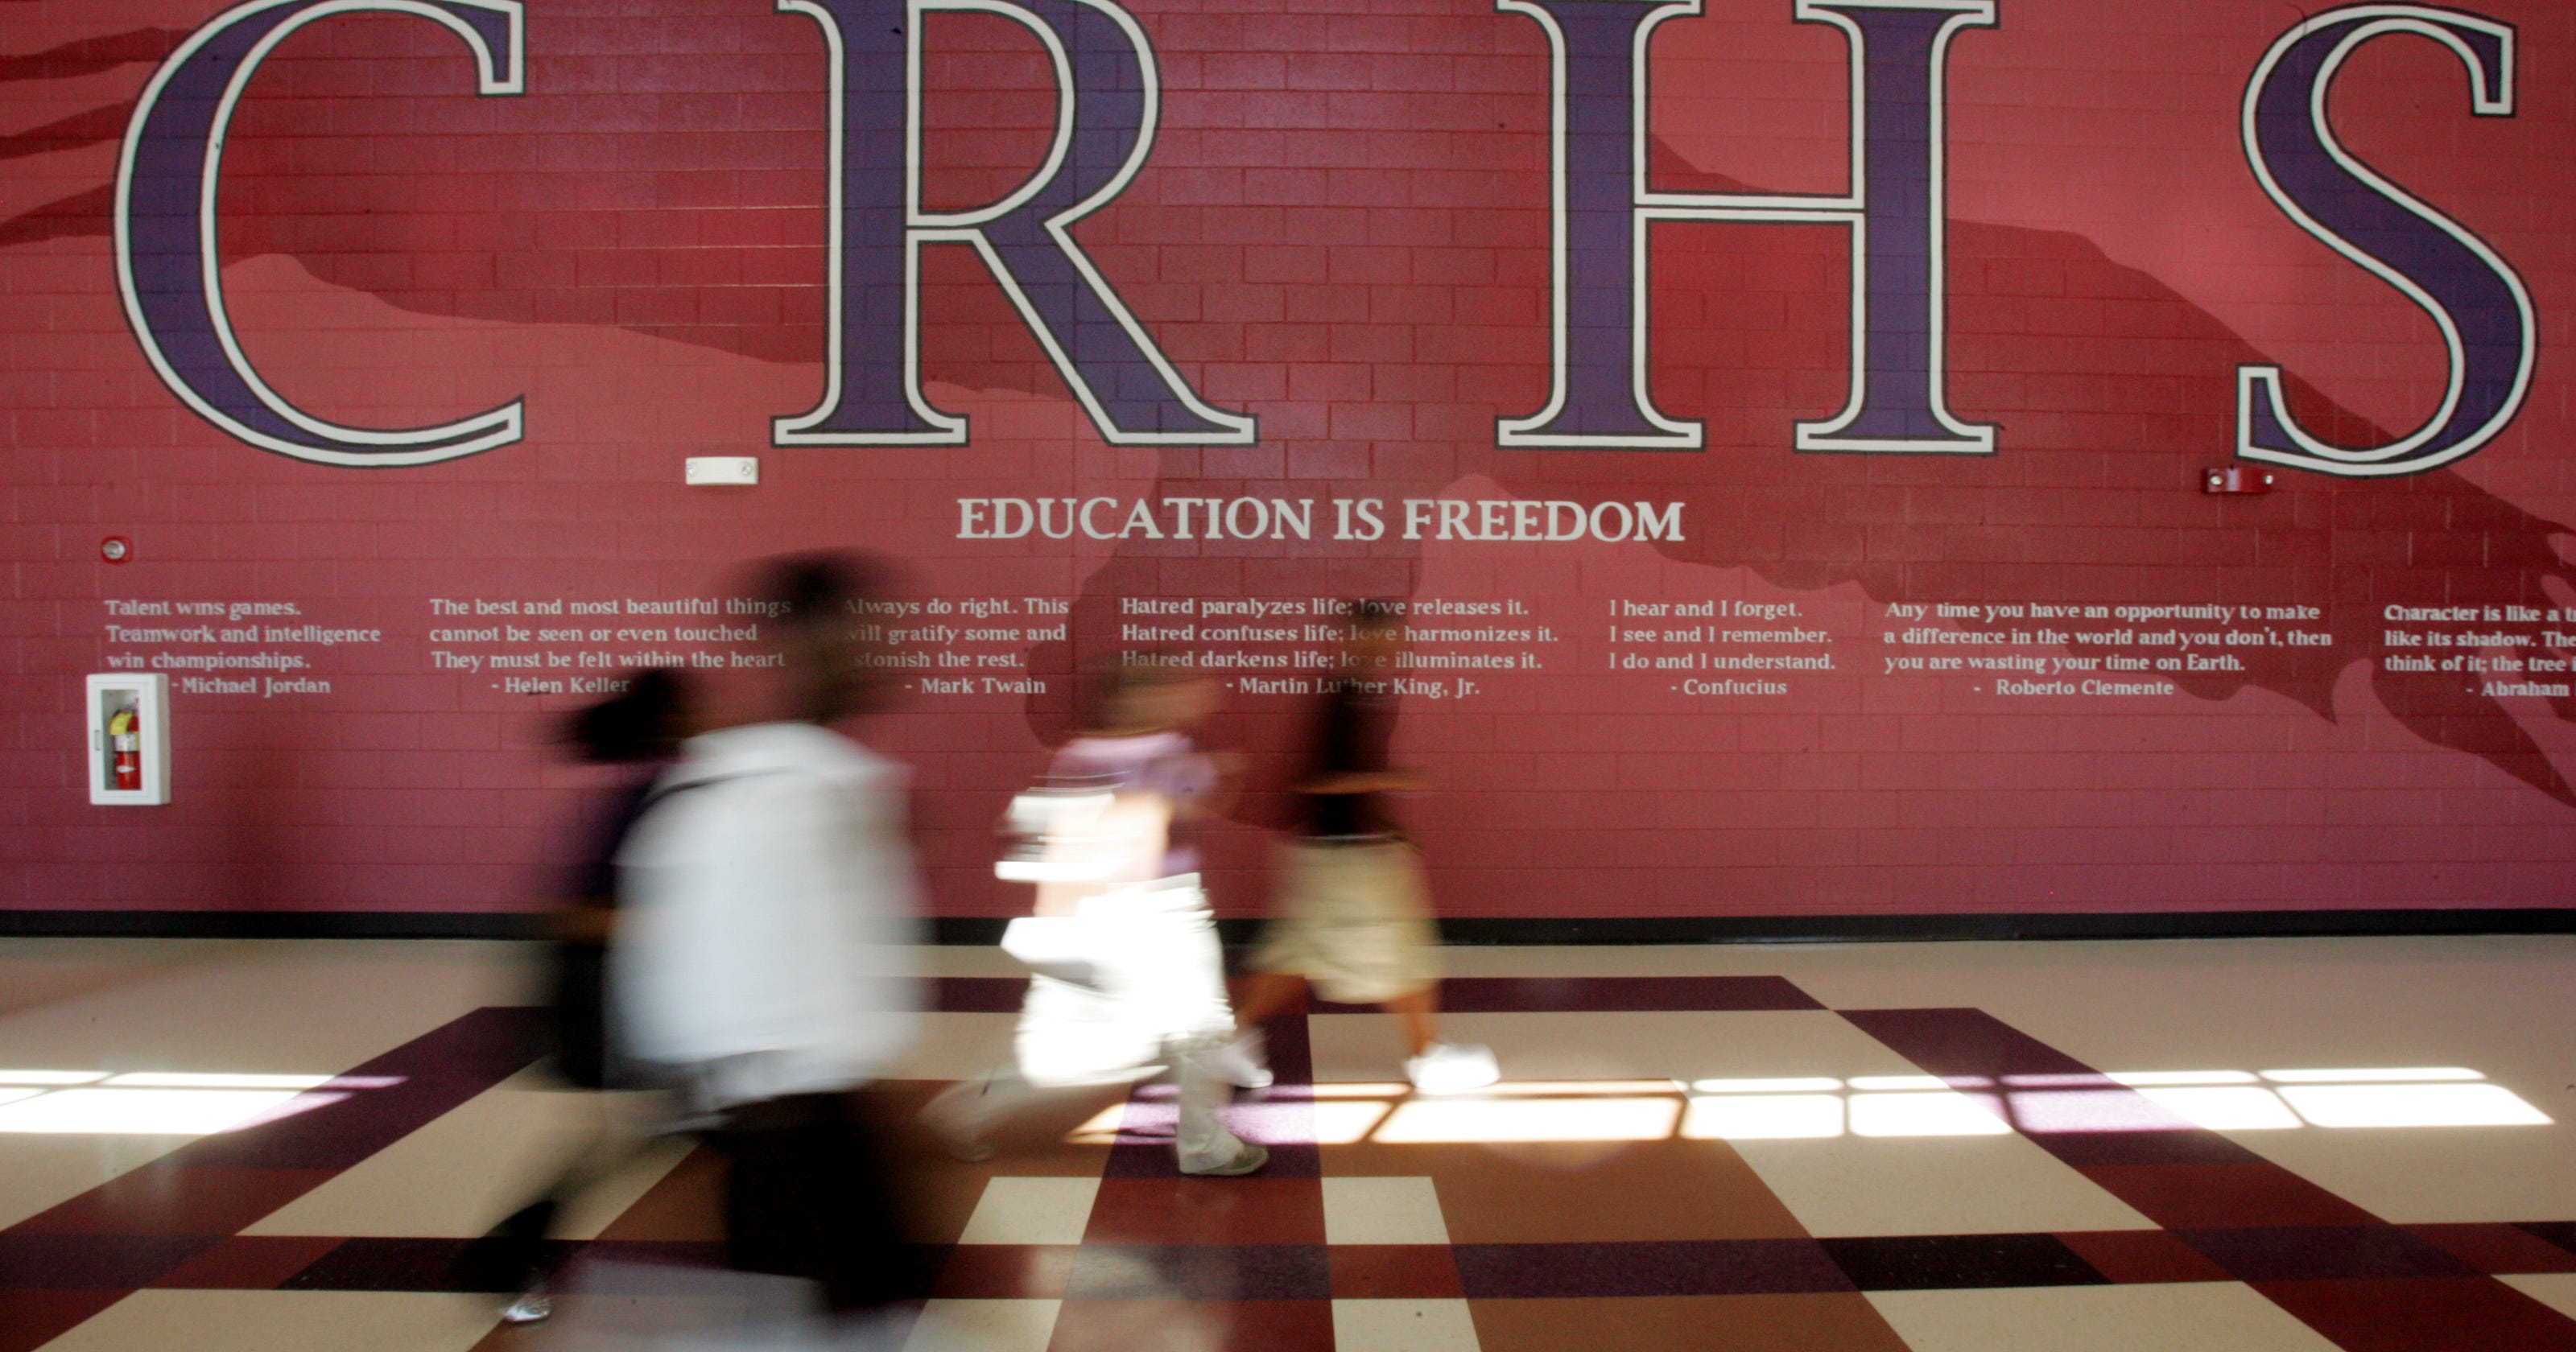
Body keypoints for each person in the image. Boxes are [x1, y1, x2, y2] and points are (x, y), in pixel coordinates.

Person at [613, 553, 928, 1341]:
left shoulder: (823, 777)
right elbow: (698, 970)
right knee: (823, 1313)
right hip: (783, 1113)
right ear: (788, 644)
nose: (877, 652)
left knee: (852, 1309)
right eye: (854, 633)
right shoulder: (755, 789)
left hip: (817, 1102)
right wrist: (741, 1095)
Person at [923, 658, 1269, 1177]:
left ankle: (965, 1111)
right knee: (1188, 1029)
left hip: (1117, 912)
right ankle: (1204, 1146)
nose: (1192, 696)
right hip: (1150, 910)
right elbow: (1170, 814)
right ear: (1136, 698)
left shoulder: (1086, 753)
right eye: (1176, 688)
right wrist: (1210, 780)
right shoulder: (1141, 755)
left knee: (1182, 1031)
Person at [473, 667, 695, 1326]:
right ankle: (511, 1252)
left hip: (638, 993)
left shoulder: (664, 789)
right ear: (672, 721)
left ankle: (511, 1251)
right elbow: (574, 913)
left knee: (671, 1127)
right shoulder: (646, 798)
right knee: (647, 1130)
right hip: (604, 994)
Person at [1229, 600, 1497, 1093]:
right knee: (1398, 951)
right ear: (1359, 638)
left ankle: (1228, 1040)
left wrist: (1385, 822)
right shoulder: (1346, 696)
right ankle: (1428, 1056)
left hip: (1330, 847)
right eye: (1384, 635)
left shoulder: (1358, 693)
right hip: (1341, 854)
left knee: (1300, 951)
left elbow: (1341, 779)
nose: (1396, 643)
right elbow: (1320, 781)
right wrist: (1393, 779)